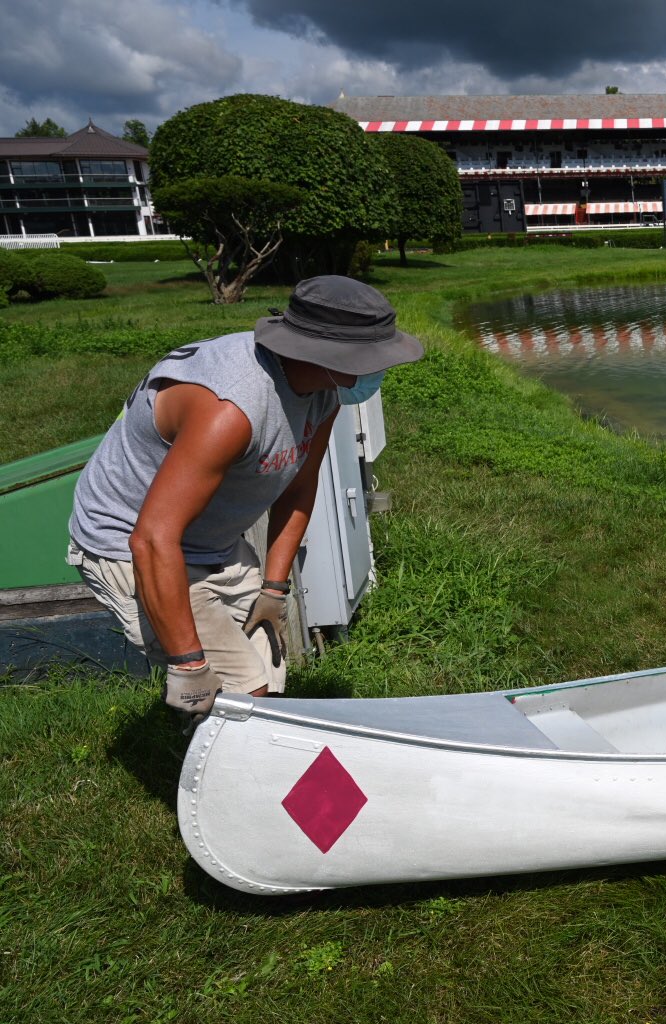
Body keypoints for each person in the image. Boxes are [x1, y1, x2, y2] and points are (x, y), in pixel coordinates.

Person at [67, 276, 423, 720]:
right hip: (131, 543)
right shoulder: (229, 408)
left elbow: (298, 486)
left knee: (268, 676)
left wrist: (274, 588)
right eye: (373, 358)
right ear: (330, 356)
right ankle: (221, 773)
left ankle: (236, 753)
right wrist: (189, 665)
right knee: (241, 698)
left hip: (212, 538)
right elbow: (152, 538)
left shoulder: (323, 393)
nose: (379, 369)